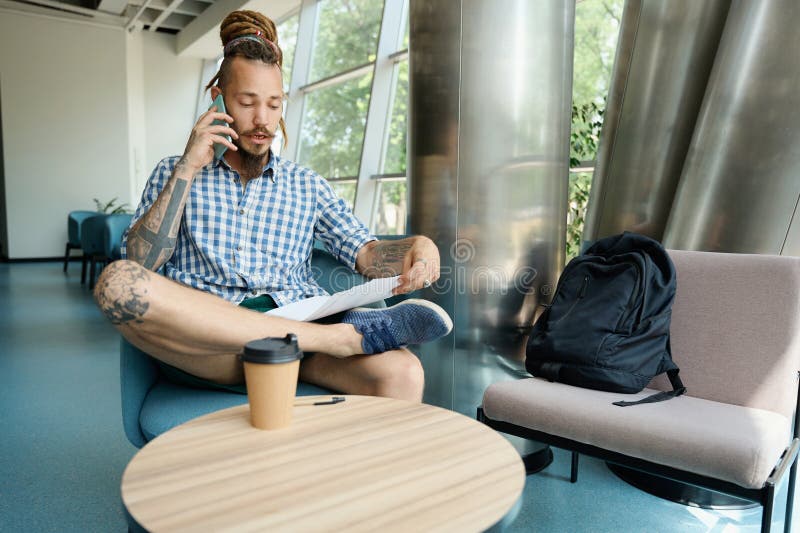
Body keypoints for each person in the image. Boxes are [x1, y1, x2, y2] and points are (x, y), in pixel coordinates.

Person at [93, 10, 451, 402]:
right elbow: (140, 263)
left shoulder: (307, 186)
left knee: (403, 371)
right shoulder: (174, 172)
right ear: (218, 100)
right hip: (212, 348)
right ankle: (341, 337)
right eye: (247, 103)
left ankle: (336, 343)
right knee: (117, 284)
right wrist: (188, 167)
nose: (262, 120)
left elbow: (367, 254)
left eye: (274, 104)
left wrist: (416, 247)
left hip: (297, 345)